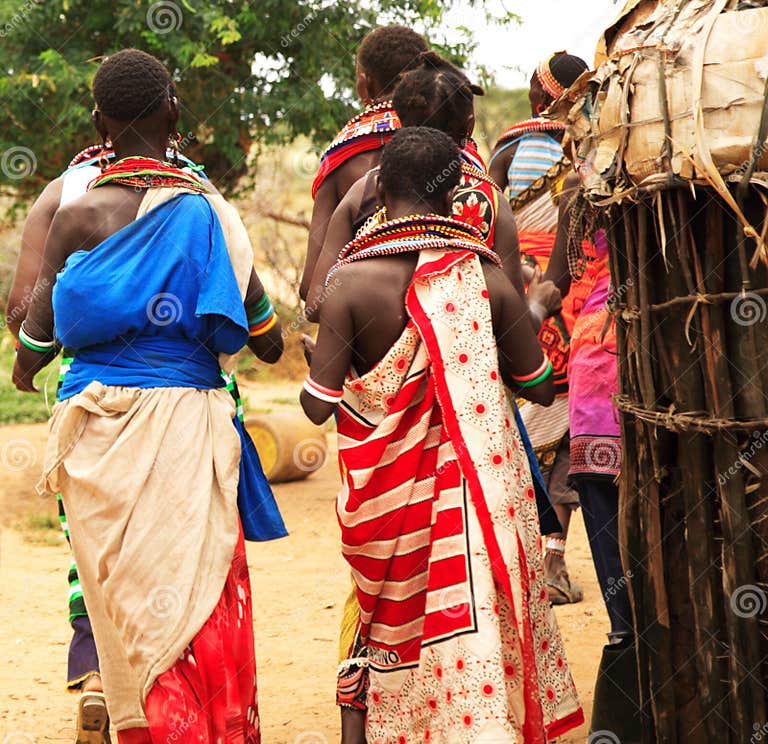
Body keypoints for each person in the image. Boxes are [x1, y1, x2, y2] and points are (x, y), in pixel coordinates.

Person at [12, 48, 284, 743]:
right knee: (197, 587)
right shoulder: (209, 212)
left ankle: (129, 709)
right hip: (190, 425)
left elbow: (33, 342)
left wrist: (34, 364)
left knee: (119, 592)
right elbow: (267, 338)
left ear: (98, 122)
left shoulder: (76, 214)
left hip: (96, 432)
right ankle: (202, 722)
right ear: (174, 113)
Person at [301, 126, 583, 743]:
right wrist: (532, 310)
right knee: (474, 615)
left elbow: (317, 406)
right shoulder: (485, 277)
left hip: (386, 510)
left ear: (379, 190)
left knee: (387, 623)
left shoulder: (349, 282)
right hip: (475, 494)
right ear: (456, 193)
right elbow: (538, 386)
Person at [5, 141, 211, 744]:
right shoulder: (195, 193)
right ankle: (173, 697)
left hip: (92, 396)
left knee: (95, 553)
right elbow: (243, 311)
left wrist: (53, 340)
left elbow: (24, 310)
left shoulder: (66, 196)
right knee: (179, 550)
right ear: (171, 119)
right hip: (183, 396)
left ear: (99, 121)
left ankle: (98, 678)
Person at [304, 51, 562, 327]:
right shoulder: (491, 200)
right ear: (469, 126)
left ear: (400, 119)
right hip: (466, 353)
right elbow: (514, 328)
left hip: (373, 351)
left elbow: (315, 305)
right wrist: (537, 304)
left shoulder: (366, 188)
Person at [488, 52, 591, 605]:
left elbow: (485, 224)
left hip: (524, 298)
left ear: (539, 95)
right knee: (569, 430)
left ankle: (519, 560)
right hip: (580, 301)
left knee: (521, 424)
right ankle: (552, 560)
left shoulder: (507, 151)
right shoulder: (591, 148)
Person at [545, 173, 641, 741]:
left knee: (607, 517)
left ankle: (627, 642)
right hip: (665, 362)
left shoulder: (579, 190)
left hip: (599, 370)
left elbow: (553, 284)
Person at [301, 24, 429, 303]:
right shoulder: (453, 146)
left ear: (364, 84)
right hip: (452, 318)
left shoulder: (341, 157)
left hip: (364, 316)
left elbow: (311, 286)